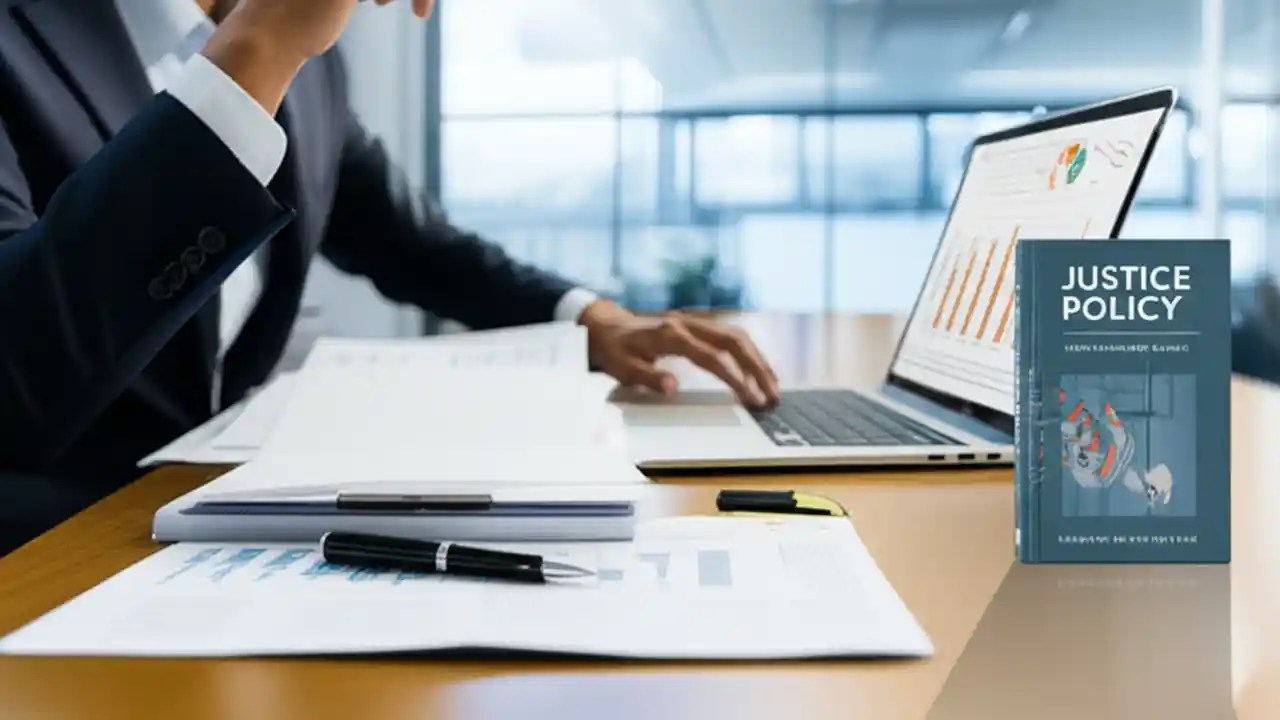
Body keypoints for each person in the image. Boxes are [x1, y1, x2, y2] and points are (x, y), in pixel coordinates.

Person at [0, 0, 779, 551]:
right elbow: (15, 376)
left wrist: (591, 319)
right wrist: (260, 44)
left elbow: (412, 244)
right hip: (44, 551)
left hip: (209, 531)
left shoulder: (310, 66)